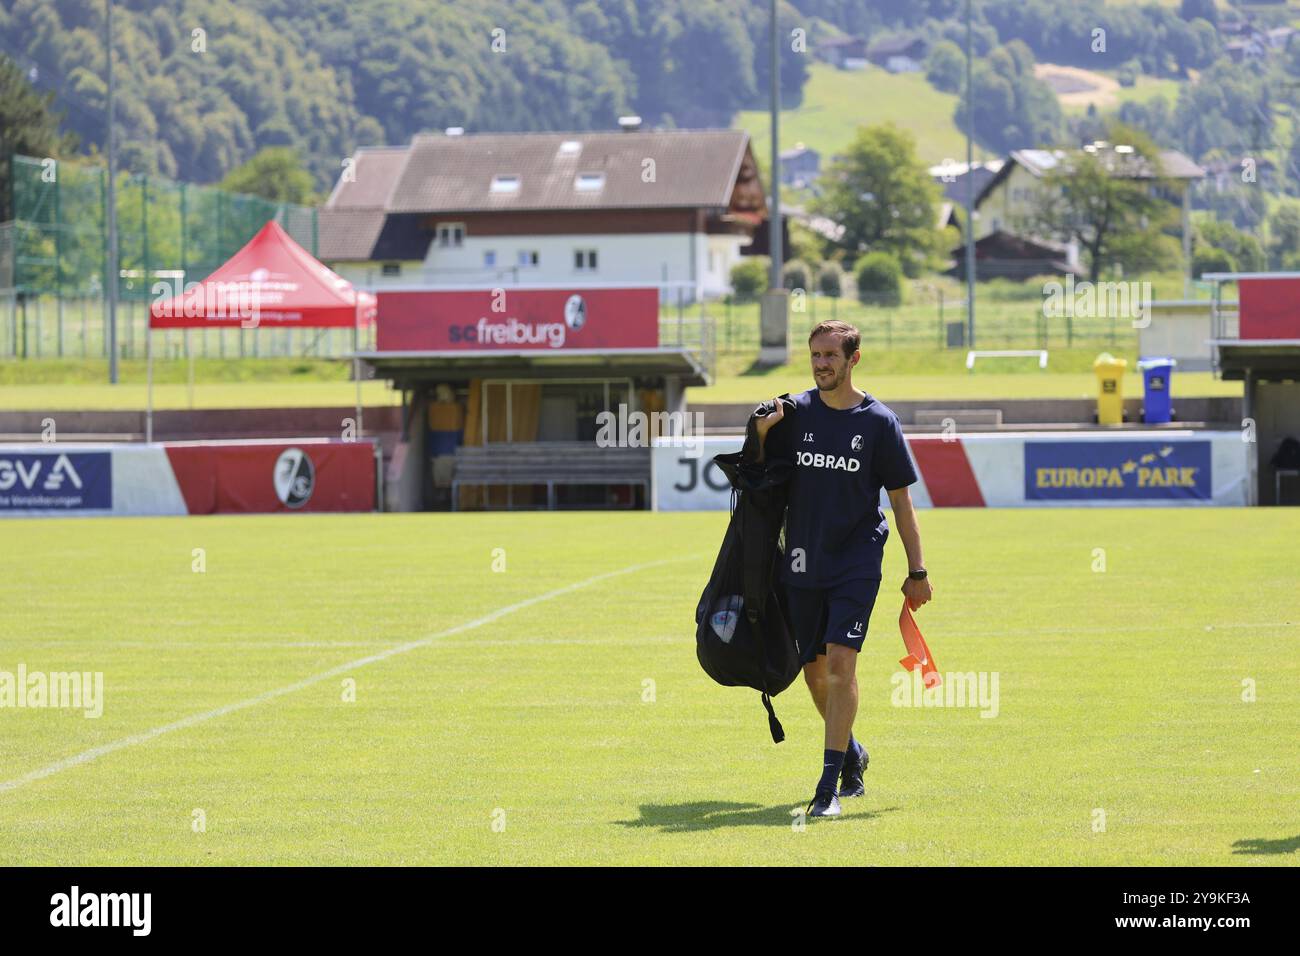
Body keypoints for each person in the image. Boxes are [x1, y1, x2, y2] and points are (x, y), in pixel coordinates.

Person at [756, 320, 933, 818]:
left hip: (856, 562)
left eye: (830, 355)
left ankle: (828, 787)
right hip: (800, 563)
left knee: (840, 666)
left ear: (853, 359)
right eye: (815, 355)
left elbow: (902, 504)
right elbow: (760, 479)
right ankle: (852, 752)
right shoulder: (794, 413)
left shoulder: (879, 423)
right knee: (814, 675)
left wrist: (917, 571)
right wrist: (763, 435)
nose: (820, 364)